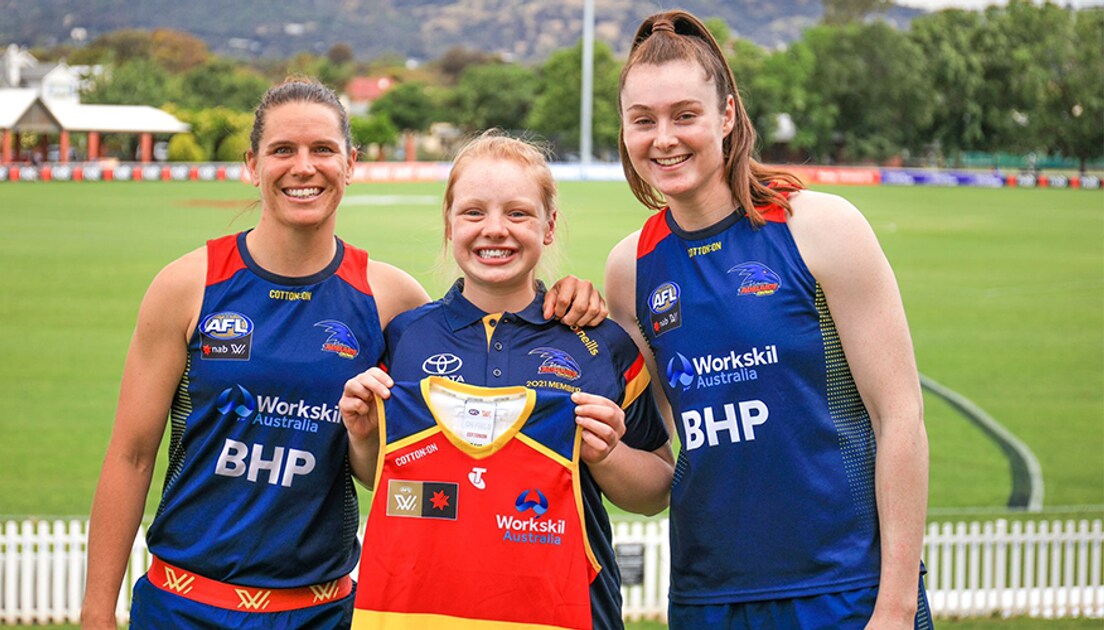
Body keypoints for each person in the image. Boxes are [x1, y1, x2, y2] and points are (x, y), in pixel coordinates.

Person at [80, 80, 604, 630]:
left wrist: (562, 300)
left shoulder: (390, 298)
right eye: (283, 150)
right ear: (252, 164)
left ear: (350, 164)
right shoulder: (188, 285)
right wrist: (97, 610)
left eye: (322, 150)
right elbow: (131, 457)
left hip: (322, 613)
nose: (303, 167)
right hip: (184, 606)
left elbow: (477, 373)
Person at [603, 11, 932, 630]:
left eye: (685, 114)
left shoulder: (819, 228)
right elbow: (657, 446)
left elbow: (900, 416)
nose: (664, 137)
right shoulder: (630, 268)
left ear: (726, 116)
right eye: (642, 120)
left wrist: (894, 603)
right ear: (623, 130)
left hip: (845, 589)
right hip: (708, 597)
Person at [339, 132, 674, 629]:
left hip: (567, 611)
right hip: (430, 611)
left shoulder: (599, 343)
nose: (495, 230)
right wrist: (362, 435)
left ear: (549, 226)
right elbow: (383, 477)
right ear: (449, 225)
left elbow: (658, 491)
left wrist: (608, 455)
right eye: (473, 212)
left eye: (518, 214)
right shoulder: (405, 337)